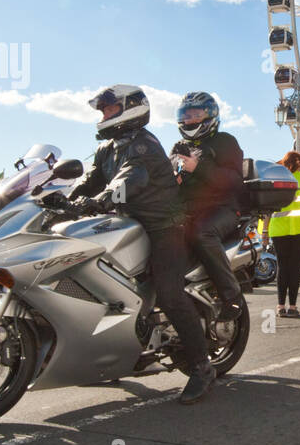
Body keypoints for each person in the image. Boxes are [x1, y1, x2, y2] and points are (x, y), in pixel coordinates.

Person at [69, 85, 215, 405]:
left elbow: (128, 180)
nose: (104, 115)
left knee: (168, 293)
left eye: (109, 109)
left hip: (164, 227)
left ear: (130, 109)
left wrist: (98, 201)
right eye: (103, 110)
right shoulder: (108, 147)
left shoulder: (143, 145)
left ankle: (202, 367)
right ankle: (119, 353)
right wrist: (61, 198)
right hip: (129, 226)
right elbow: (90, 179)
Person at [170, 91, 244, 322]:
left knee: (202, 232)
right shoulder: (179, 146)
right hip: (186, 209)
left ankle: (232, 296)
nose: (190, 119)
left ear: (210, 115)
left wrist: (197, 168)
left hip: (223, 208)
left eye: (195, 114)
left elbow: (234, 181)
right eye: (186, 115)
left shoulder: (225, 142)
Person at [269, 150, 300, 317]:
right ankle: (293, 307)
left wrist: (265, 231)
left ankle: (280, 306)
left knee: (283, 266)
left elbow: (269, 207)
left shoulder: (276, 179)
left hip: (279, 227)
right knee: (295, 267)